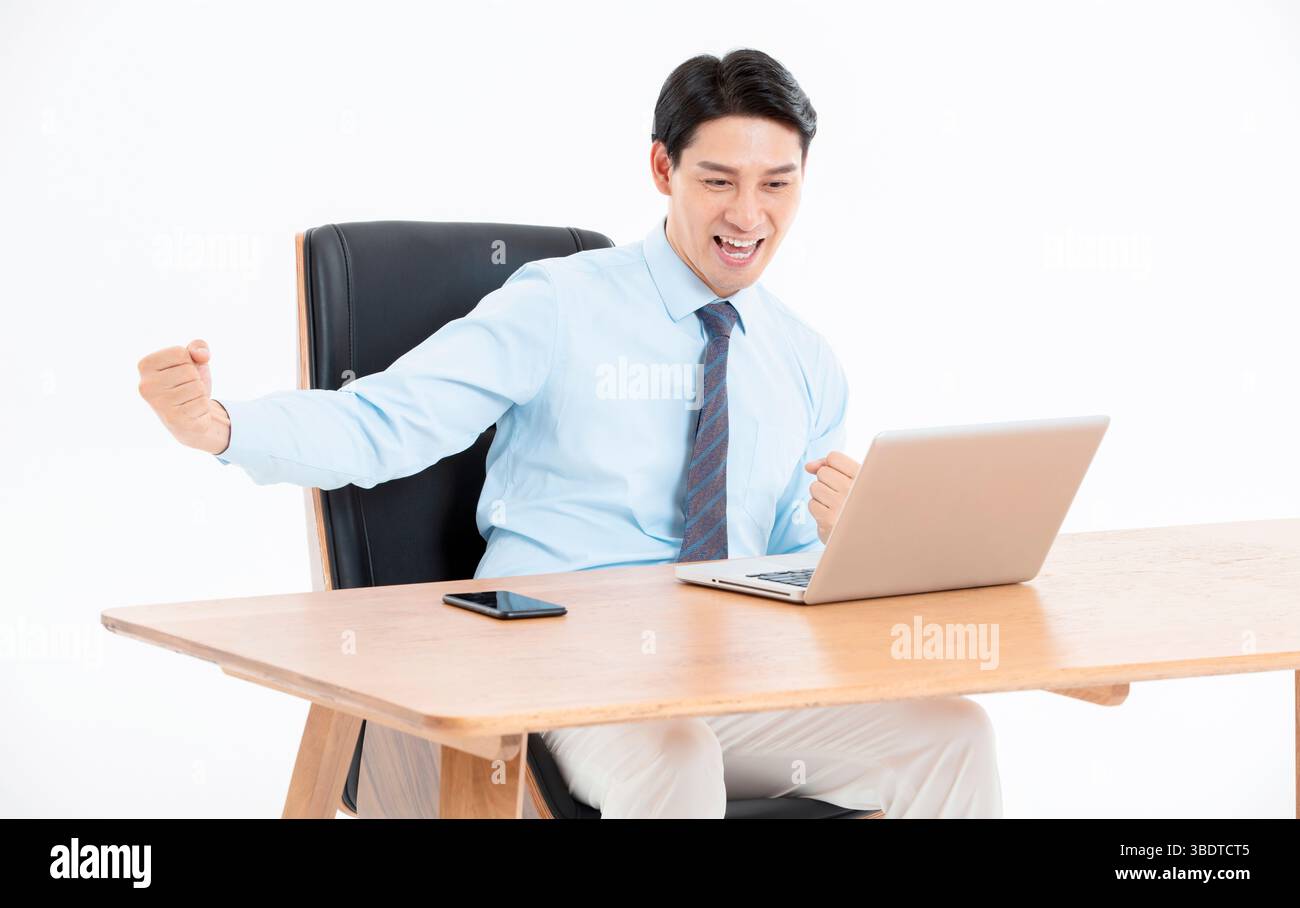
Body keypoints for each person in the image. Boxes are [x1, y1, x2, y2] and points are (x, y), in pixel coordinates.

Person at [136, 48, 1002, 818]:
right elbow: (387, 422)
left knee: (951, 733)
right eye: (718, 180)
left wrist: (847, 545)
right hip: (556, 662)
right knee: (674, 751)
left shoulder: (806, 360)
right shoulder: (560, 303)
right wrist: (220, 426)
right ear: (663, 168)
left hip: (727, 675)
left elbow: (782, 563)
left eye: (777, 183)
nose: (748, 214)